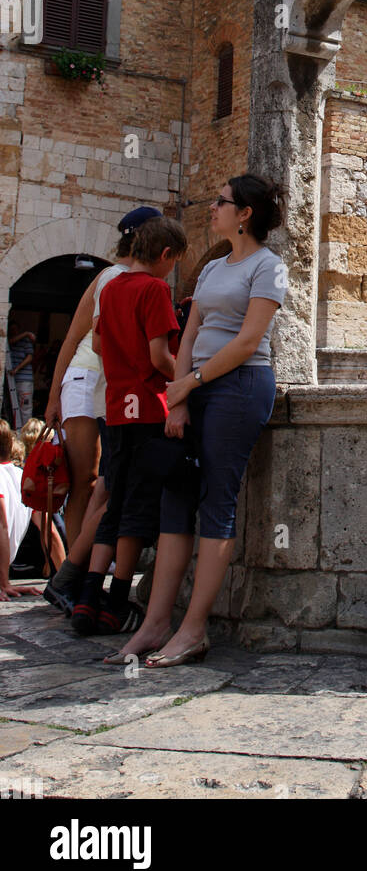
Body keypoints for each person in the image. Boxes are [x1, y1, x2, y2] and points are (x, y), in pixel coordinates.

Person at [115, 174, 285, 668]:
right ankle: (155, 622)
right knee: (175, 496)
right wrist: (182, 397)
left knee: (217, 500)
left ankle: (193, 629)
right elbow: (189, 331)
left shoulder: (268, 267)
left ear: (245, 213)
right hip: (196, 391)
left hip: (240, 387)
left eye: (221, 202)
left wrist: (190, 383)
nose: (212, 208)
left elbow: (248, 341)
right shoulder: (212, 269)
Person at [70, 217, 186, 638]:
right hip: (148, 409)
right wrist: (185, 379)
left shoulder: (112, 285)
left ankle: (87, 595)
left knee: (114, 502)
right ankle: (116, 602)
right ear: (165, 256)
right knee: (138, 507)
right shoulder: (154, 289)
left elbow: (98, 344)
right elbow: (159, 356)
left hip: (116, 408)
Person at [43, 207, 161, 550]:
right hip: (89, 379)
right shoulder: (116, 278)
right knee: (89, 481)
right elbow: (82, 340)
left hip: (97, 383)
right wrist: (53, 399)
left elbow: (71, 338)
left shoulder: (118, 277)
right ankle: (74, 569)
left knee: (96, 482)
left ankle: (82, 563)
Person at [0, 420, 63, 599]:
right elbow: (49, 531)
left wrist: (4, 583)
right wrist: (67, 578)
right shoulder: (23, 476)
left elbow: (2, 528)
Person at [6, 320, 36, 430]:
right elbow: (11, 341)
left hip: (24, 380)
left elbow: (30, 357)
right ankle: (17, 432)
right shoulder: (9, 342)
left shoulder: (25, 341)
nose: (14, 331)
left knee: (25, 407)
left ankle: (26, 433)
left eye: (15, 329)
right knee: (15, 408)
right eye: (12, 330)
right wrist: (26, 333)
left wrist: (16, 369)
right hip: (13, 380)